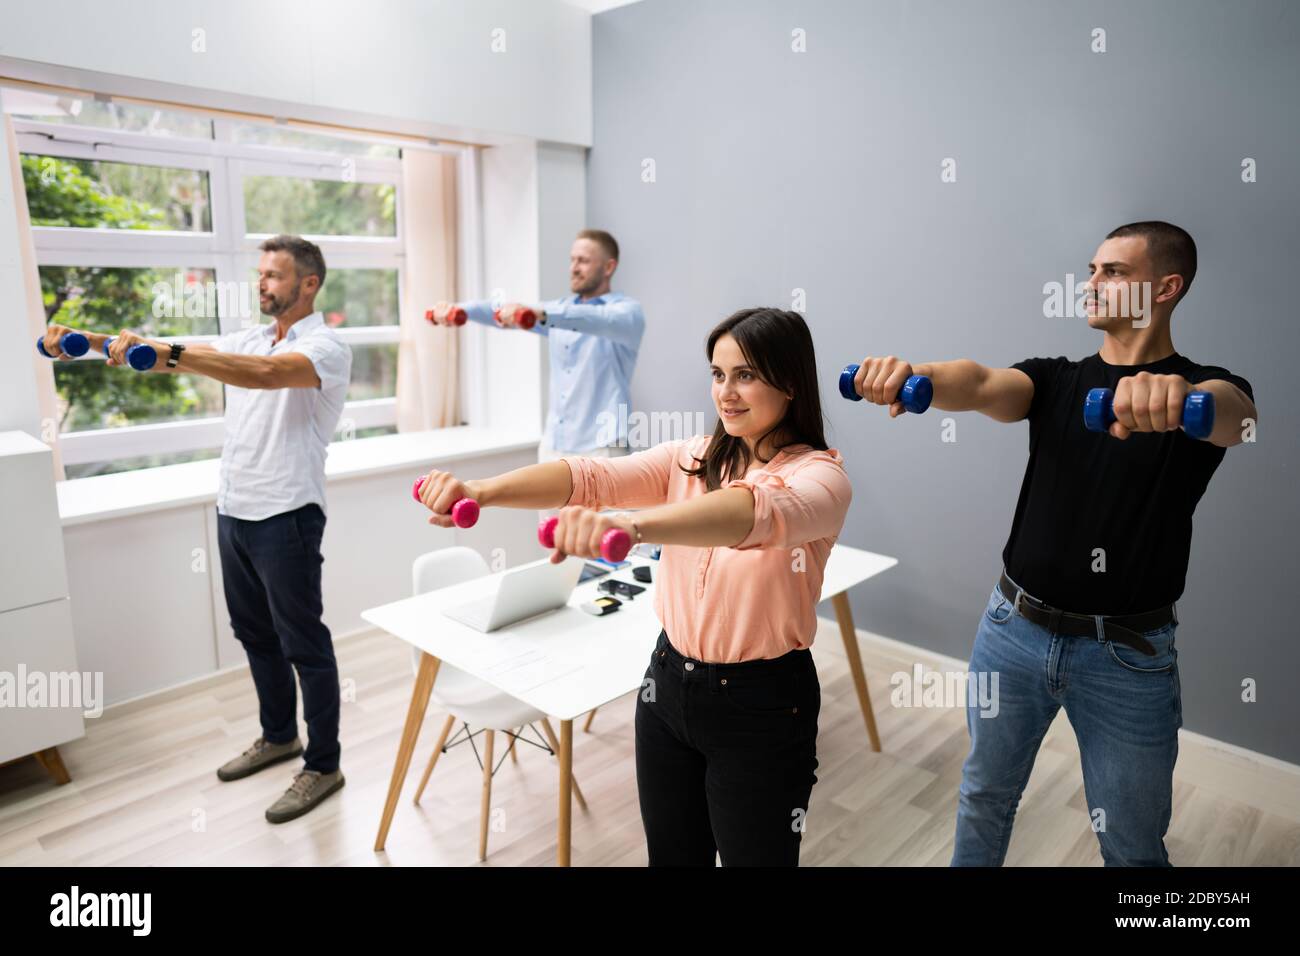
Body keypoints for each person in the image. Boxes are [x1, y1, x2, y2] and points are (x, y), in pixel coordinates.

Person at [849, 221, 1256, 865]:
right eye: (1091, 270)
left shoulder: (1204, 388)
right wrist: (913, 373)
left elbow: (1236, 417)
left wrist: (1180, 397)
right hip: (1011, 630)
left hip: (1126, 658)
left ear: (1168, 286)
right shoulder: (1055, 381)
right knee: (984, 795)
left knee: (1130, 844)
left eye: (1113, 272)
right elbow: (980, 383)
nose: (1091, 283)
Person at [414, 307, 851, 865]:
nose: (726, 392)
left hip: (763, 705)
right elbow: (588, 478)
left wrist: (633, 525)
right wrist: (480, 488)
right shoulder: (690, 458)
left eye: (745, 374)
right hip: (667, 687)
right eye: (718, 374)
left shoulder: (821, 478)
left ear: (789, 381)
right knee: (671, 857)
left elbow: (753, 514)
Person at [42, 234, 353, 823]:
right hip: (235, 510)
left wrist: (176, 353)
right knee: (254, 634)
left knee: (303, 644)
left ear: (309, 284)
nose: (263, 283)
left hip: (287, 514)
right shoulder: (249, 336)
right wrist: (86, 344)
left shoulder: (328, 347)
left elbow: (261, 375)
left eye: (276, 275)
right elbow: (167, 353)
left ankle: (323, 765)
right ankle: (279, 734)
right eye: (260, 273)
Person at [428, 229, 645, 463]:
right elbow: (500, 313)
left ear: (608, 267)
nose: (574, 268)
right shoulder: (554, 311)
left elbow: (590, 318)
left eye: (583, 261)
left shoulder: (626, 314)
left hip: (603, 449)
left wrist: (539, 313)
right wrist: (461, 310)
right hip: (554, 446)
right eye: (572, 260)